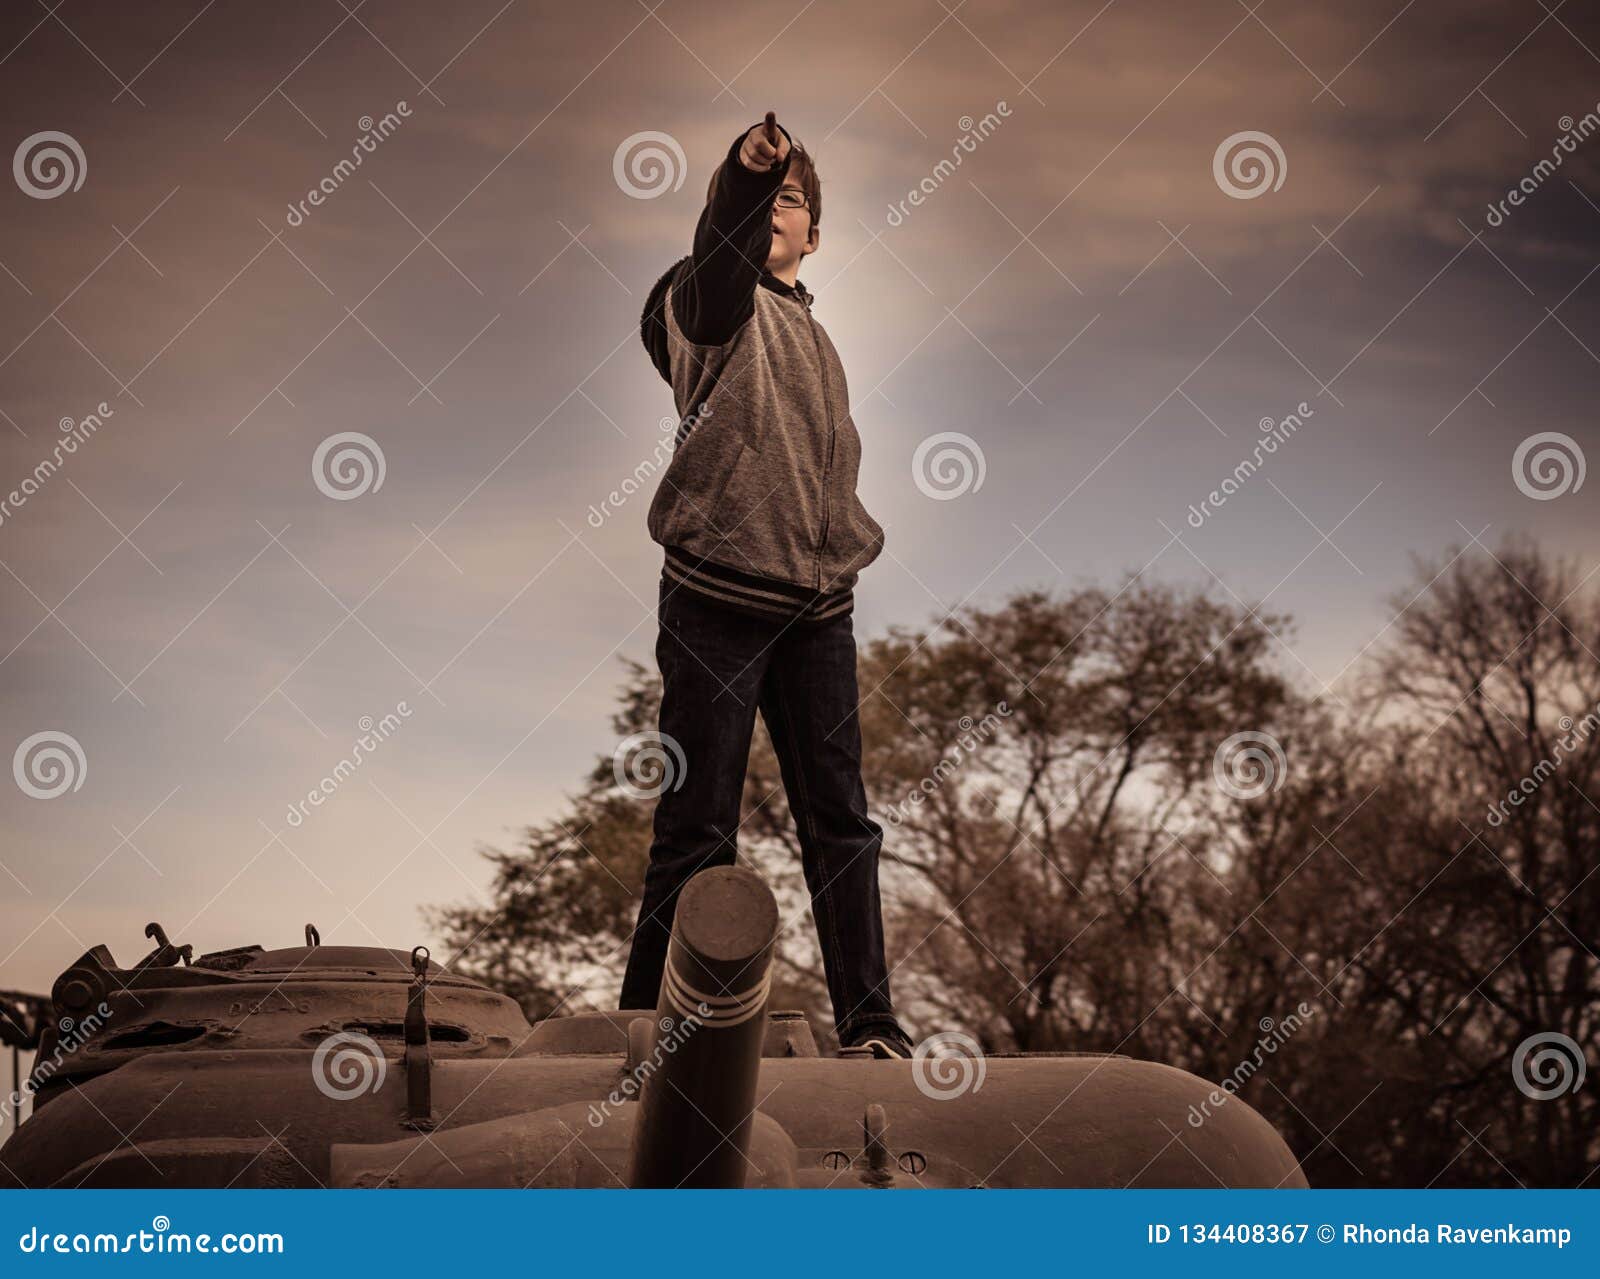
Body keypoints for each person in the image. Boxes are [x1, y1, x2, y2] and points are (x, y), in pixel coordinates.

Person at [618, 113, 914, 1059]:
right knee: (697, 828)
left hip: (820, 608)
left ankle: (872, 1026)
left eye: (791, 200)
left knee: (843, 825)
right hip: (718, 595)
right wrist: (749, 176)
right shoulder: (706, 300)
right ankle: (638, 1033)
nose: (774, 211)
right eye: (761, 202)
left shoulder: (816, 339)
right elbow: (719, 255)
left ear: (814, 235)